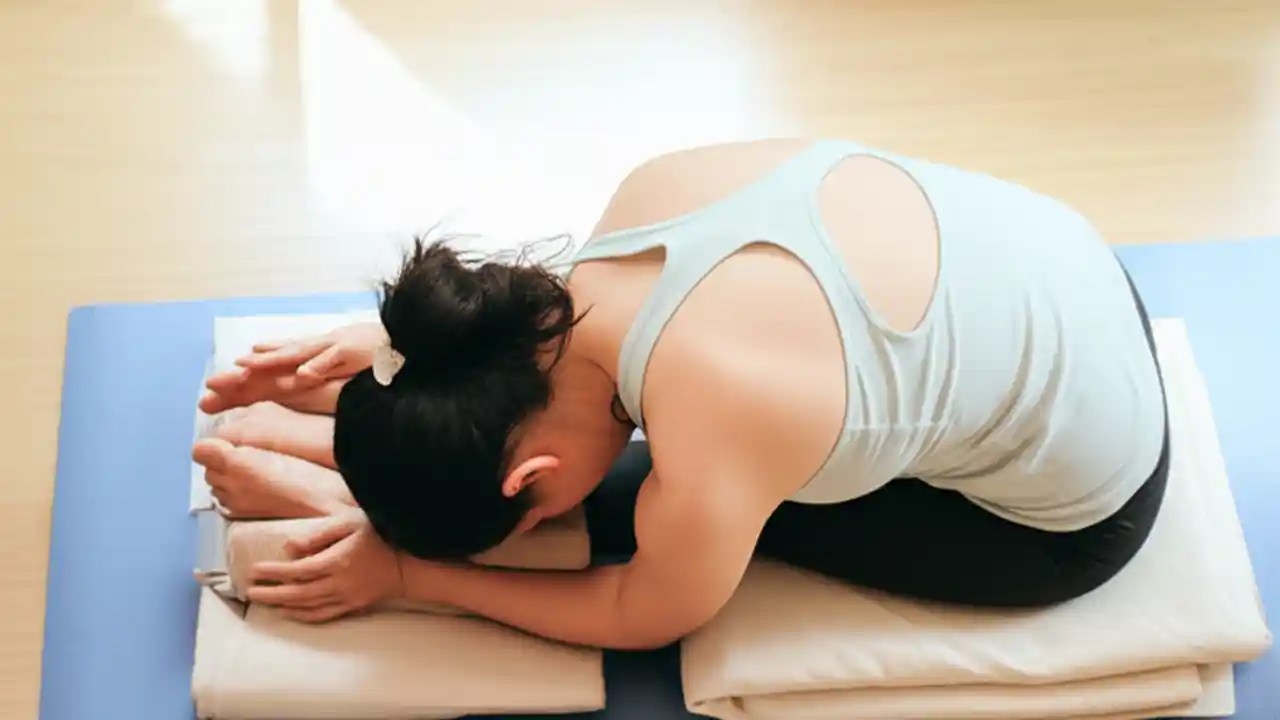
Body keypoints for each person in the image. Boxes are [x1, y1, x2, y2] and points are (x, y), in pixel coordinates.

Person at [196, 138, 1169, 650]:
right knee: (690, 483)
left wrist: (412, 577)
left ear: (525, 474)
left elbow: (643, 612)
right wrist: (395, 357)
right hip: (1073, 265)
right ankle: (347, 481)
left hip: (1082, 509)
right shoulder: (646, 196)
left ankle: (333, 496)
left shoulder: (720, 414)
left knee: (679, 514)